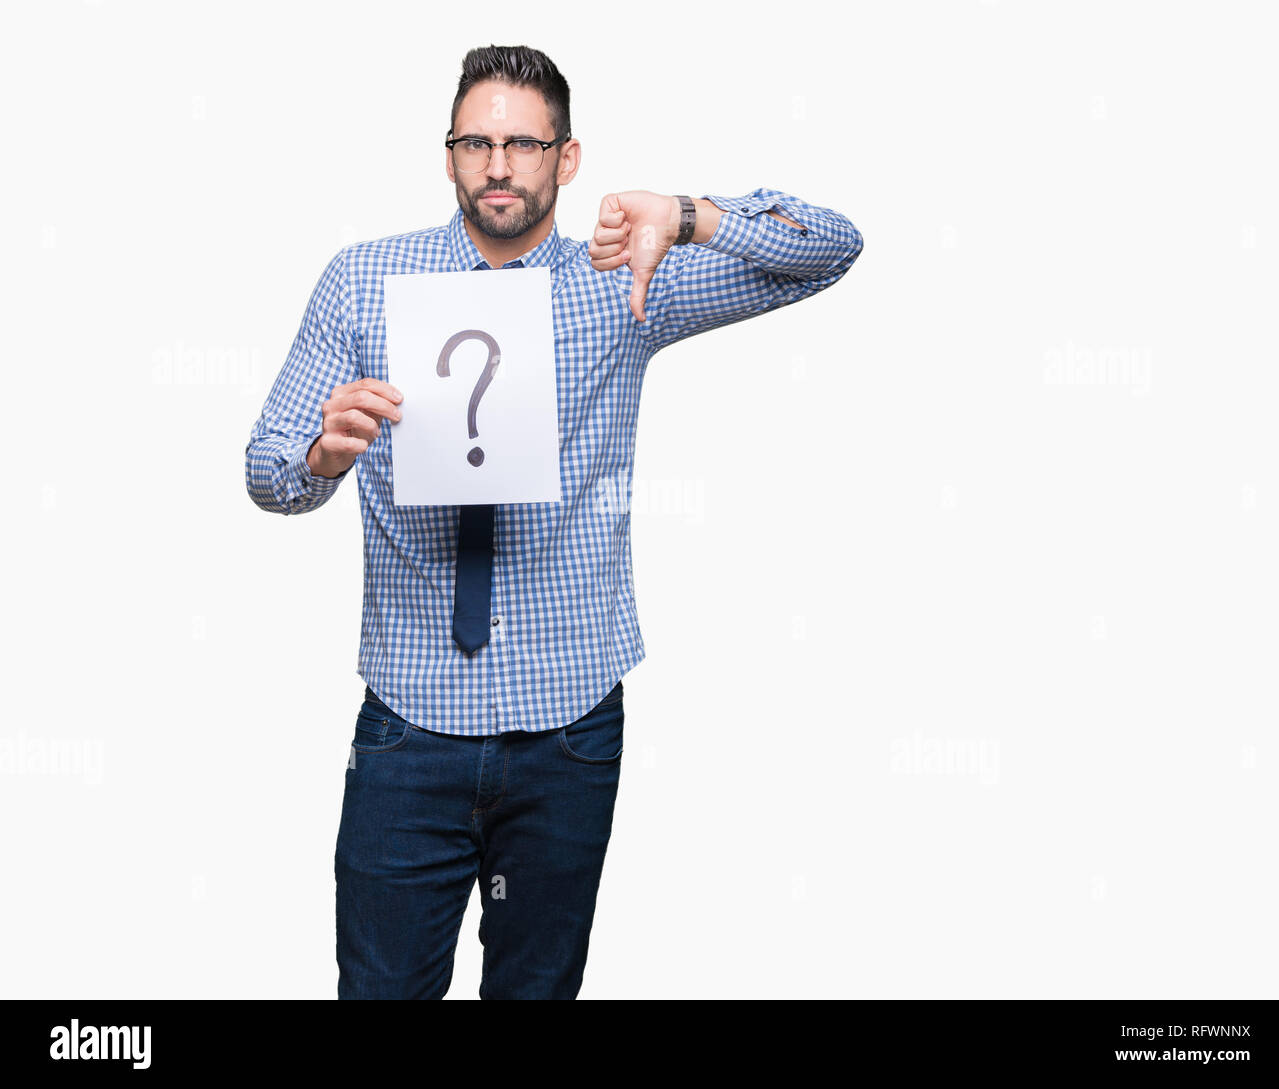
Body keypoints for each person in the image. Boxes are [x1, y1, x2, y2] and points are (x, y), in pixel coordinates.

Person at [245, 43, 862, 1000]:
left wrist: (690, 217)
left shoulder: (626, 283)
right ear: (446, 154)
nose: (499, 166)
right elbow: (266, 471)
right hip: (411, 723)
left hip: (568, 731)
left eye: (525, 145)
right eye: (477, 143)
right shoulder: (364, 281)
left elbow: (830, 249)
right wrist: (321, 458)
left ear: (566, 160)